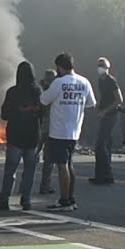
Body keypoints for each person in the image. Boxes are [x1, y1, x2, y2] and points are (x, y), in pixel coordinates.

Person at [39, 53, 96, 212]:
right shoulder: (84, 82)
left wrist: (46, 87)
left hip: (59, 131)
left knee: (62, 165)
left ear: (59, 67)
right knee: (69, 164)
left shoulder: (59, 82)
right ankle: (70, 198)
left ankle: (65, 200)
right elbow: (91, 103)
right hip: (74, 131)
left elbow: (44, 99)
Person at [0, 60, 42, 212]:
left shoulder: (12, 92)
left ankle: (4, 200)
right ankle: (26, 201)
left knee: (10, 171)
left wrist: (17, 111)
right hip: (32, 138)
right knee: (30, 171)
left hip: (15, 137)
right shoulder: (38, 92)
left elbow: (4, 115)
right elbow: (43, 112)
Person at [90, 57, 123, 185]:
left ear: (108, 68)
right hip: (103, 114)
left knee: (100, 145)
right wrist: (98, 106)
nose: (100, 68)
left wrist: (105, 111)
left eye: (102, 66)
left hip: (110, 116)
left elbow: (119, 99)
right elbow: (102, 96)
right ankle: (100, 174)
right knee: (106, 145)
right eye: (99, 65)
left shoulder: (111, 81)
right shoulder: (100, 80)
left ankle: (107, 174)